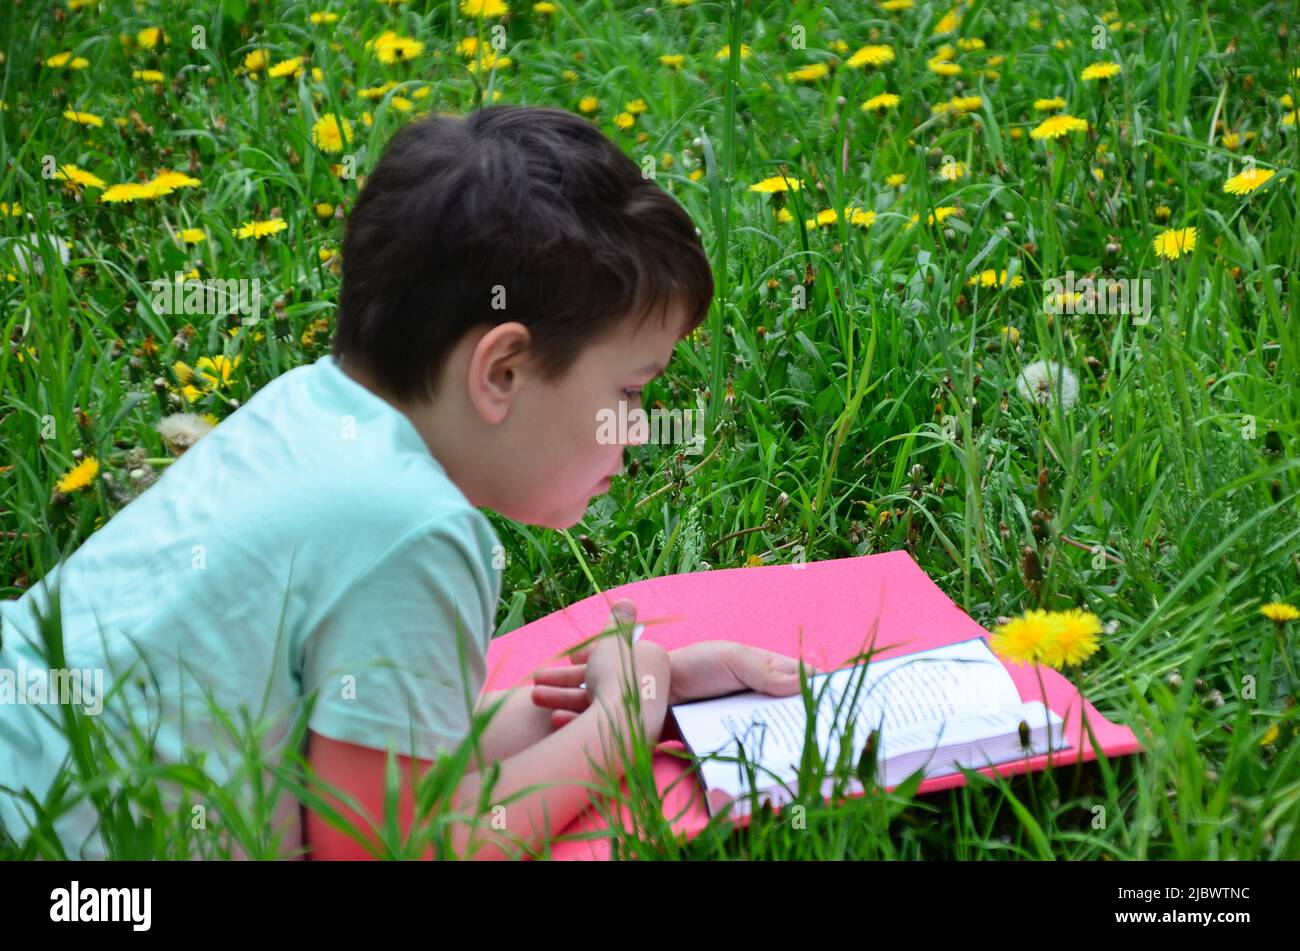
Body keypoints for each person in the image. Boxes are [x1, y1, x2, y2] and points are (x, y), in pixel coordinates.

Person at [0, 105, 807, 860]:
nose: (636, 429)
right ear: (503, 369)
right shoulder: (414, 530)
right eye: (629, 392)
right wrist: (620, 730)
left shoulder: (306, 412)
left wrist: (611, 698)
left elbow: (375, 777)